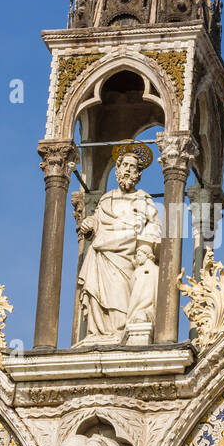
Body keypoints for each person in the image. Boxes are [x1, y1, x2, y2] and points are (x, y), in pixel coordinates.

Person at [76, 145, 163, 344]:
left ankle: (119, 330)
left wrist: (144, 248)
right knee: (98, 294)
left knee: (120, 295)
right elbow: (96, 221)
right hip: (102, 254)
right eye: (124, 165)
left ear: (138, 174)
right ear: (117, 169)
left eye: (132, 167)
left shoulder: (143, 199)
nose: (127, 170)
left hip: (126, 256)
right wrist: (90, 224)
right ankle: (98, 333)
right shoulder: (106, 199)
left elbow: (153, 228)